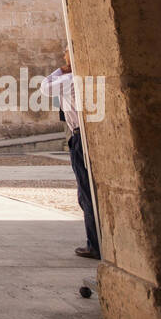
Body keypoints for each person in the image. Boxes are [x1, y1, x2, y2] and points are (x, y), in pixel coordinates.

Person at [40, 49, 100, 260]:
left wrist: (60, 70)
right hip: (85, 137)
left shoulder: (72, 79)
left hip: (80, 139)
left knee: (86, 193)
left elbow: (45, 87)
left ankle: (95, 245)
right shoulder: (81, 78)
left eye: (66, 52)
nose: (63, 55)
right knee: (89, 193)